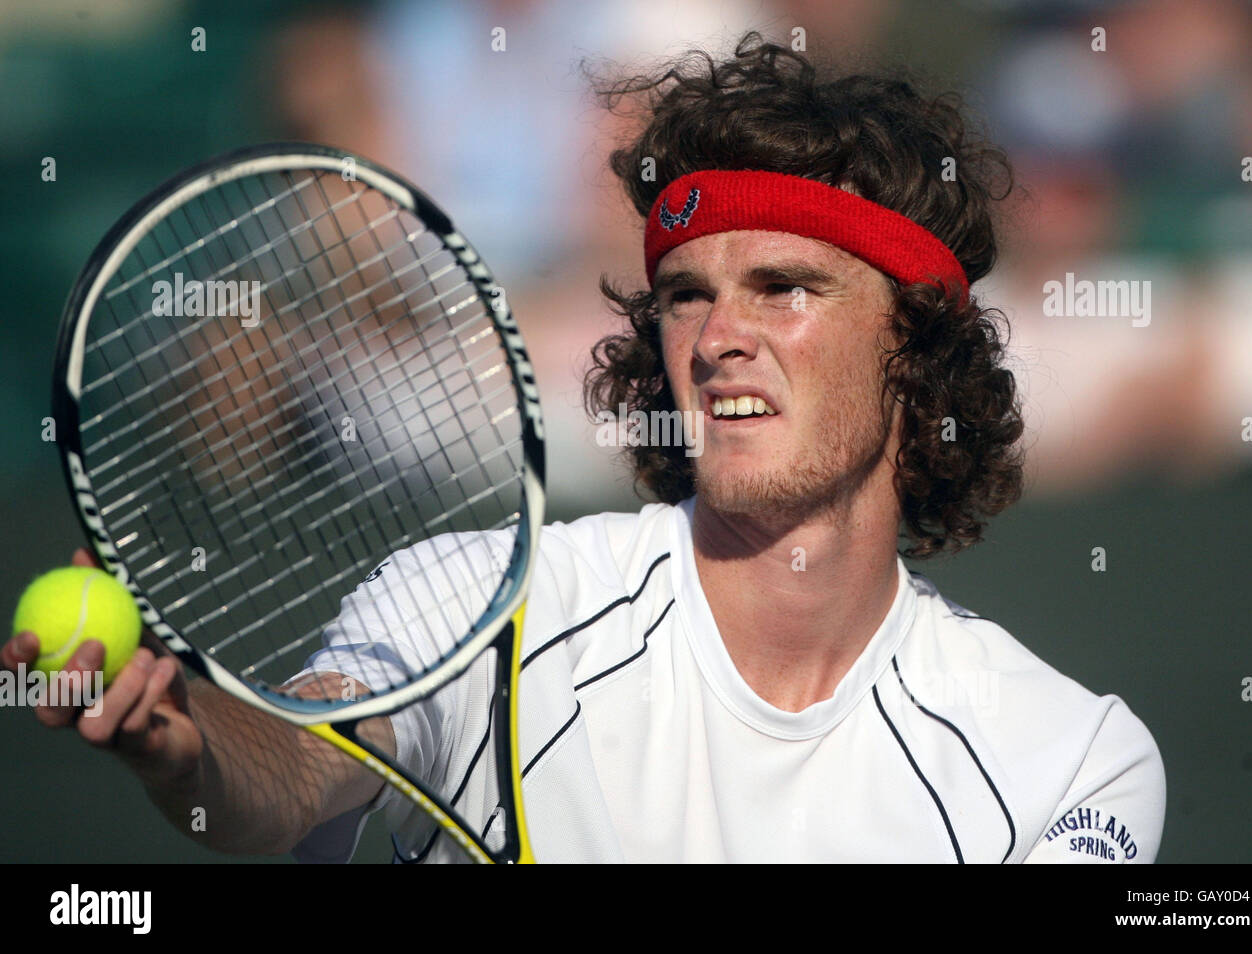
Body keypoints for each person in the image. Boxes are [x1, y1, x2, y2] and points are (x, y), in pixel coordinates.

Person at [3, 35, 1164, 863]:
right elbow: (292, 775)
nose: (720, 338)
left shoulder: (1067, 764)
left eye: (784, 289)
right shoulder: (477, 603)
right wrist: (186, 746)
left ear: (912, 345)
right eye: (684, 297)